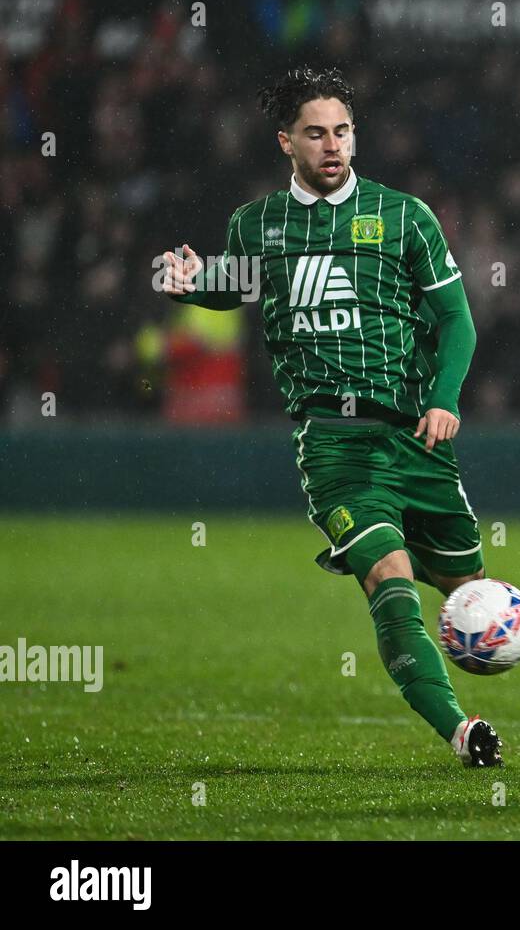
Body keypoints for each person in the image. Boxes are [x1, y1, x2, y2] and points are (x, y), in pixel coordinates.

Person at [158, 67, 502, 768]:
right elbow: (239, 285)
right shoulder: (256, 224)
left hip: (414, 434)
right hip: (334, 446)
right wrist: (193, 284)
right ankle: (462, 732)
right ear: (286, 141)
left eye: (341, 130)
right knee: (388, 579)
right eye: (315, 133)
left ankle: (470, 661)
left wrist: (444, 396)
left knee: (473, 598)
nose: (332, 144)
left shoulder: (405, 217)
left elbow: (456, 320)